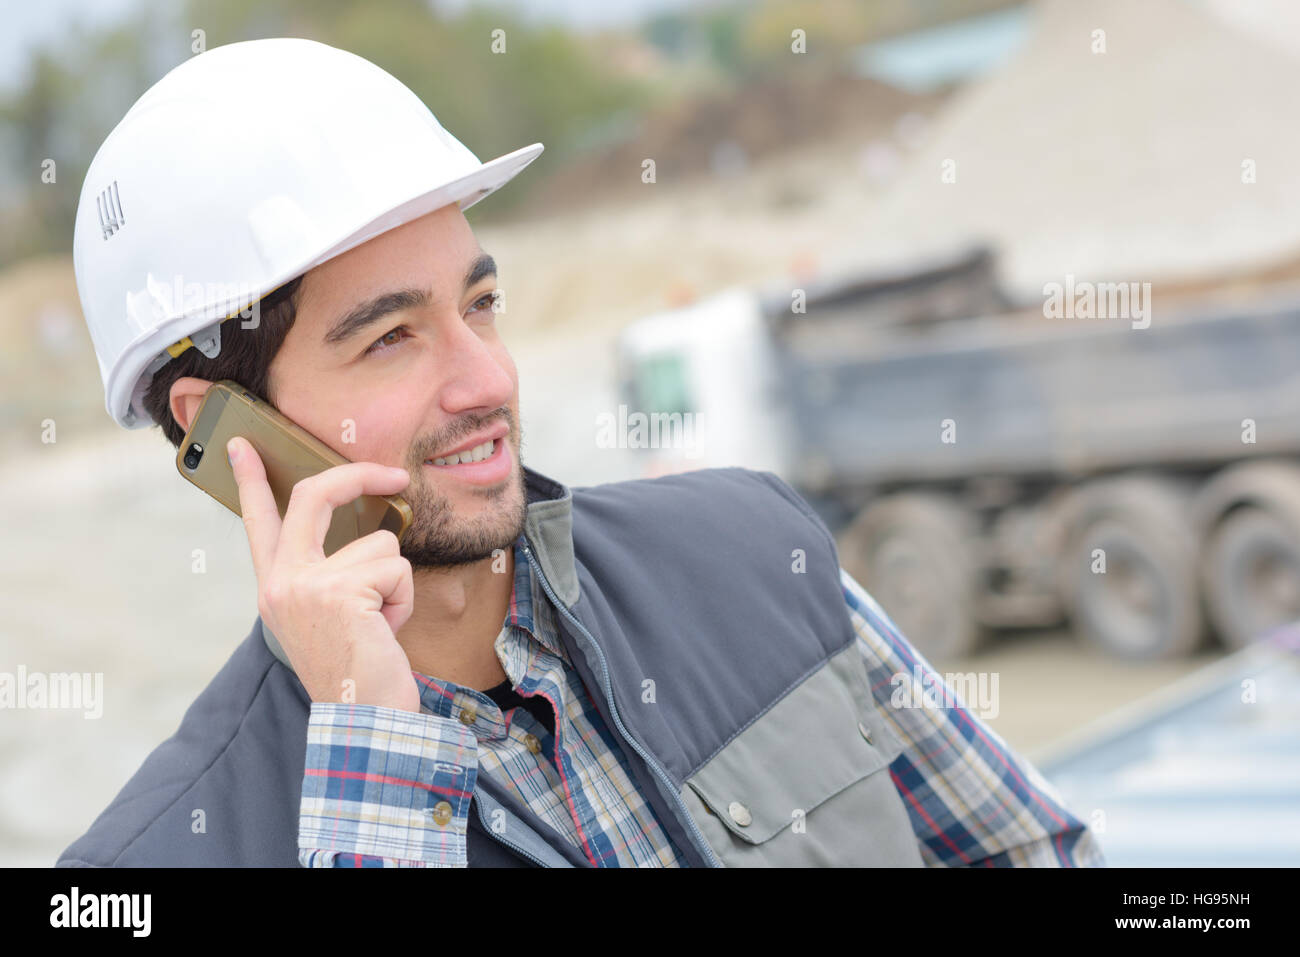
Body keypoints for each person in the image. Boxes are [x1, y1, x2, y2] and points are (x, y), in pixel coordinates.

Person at [59, 37, 1104, 867]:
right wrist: (374, 764)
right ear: (213, 426)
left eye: (481, 304)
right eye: (390, 338)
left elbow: (1032, 852)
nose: (486, 382)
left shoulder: (755, 553)